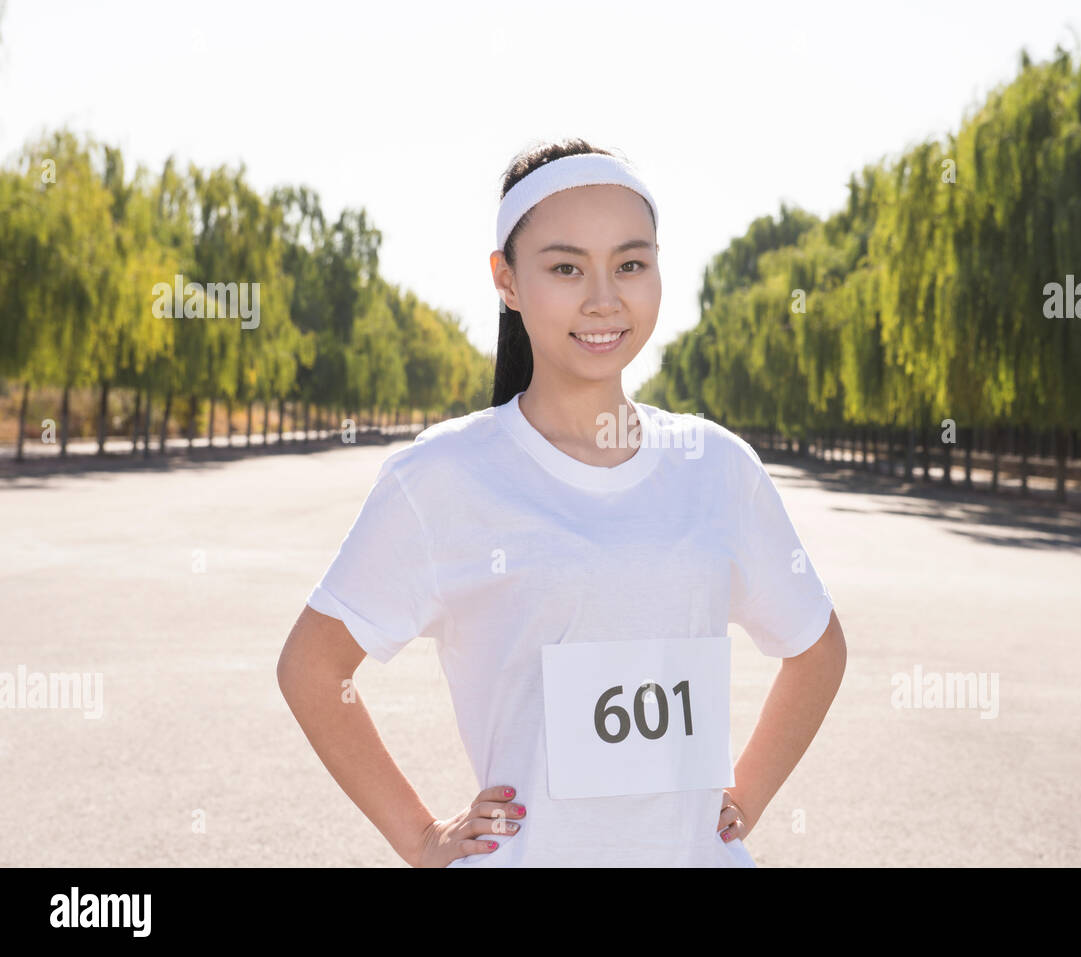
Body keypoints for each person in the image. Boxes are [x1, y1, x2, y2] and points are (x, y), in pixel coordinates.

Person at [277, 138, 847, 867]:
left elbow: (817, 646)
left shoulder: (717, 467)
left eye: (631, 264)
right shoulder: (444, 476)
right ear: (507, 280)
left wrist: (749, 795)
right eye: (566, 267)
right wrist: (421, 837)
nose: (604, 298)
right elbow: (312, 669)